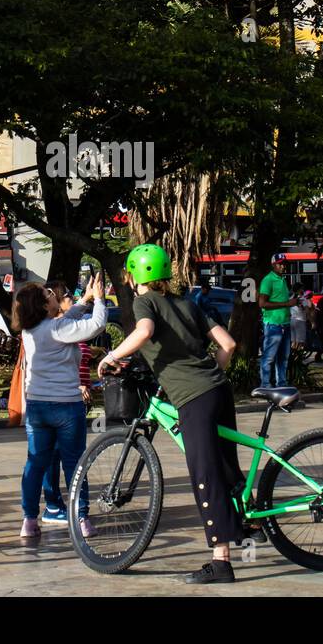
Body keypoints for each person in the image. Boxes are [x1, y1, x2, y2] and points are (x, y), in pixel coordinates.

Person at [97, 244, 243, 584]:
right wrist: (212, 375)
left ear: (134, 276)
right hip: (219, 389)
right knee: (226, 465)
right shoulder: (187, 303)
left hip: (195, 398)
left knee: (205, 474)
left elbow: (145, 331)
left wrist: (110, 357)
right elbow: (229, 344)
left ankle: (221, 562)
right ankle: (247, 523)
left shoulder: (144, 301)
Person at [15, 275, 108, 539]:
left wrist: (84, 300)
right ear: (44, 307)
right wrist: (100, 299)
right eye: (48, 295)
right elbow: (96, 325)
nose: (54, 295)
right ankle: (82, 519)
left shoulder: (30, 330)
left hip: (37, 406)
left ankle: (29, 520)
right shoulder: (57, 330)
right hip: (66, 406)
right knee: (75, 464)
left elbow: (67, 319)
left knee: (35, 463)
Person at [40, 279, 99, 522]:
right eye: (69, 297)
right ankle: (58, 507)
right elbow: (53, 364)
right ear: (55, 300)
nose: (72, 301)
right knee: (59, 457)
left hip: (75, 399)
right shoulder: (53, 328)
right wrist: (78, 384)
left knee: (62, 455)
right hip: (62, 398)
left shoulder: (70, 323)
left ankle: (58, 508)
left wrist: (88, 300)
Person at [258, 253, 298, 386]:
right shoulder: (268, 280)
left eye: (284, 263)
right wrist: (287, 304)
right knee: (269, 357)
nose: (283, 266)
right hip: (273, 325)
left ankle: (282, 383)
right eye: (280, 263)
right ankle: (265, 384)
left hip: (284, 324)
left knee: (283, 357)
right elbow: (262, 303)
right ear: (273, 265)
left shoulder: (282, 280)